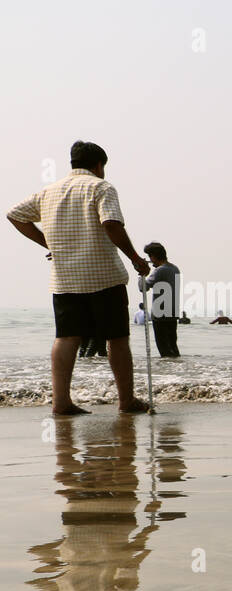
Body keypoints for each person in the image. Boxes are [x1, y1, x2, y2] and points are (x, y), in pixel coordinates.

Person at [6, 140, 151, 414]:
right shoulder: (101, 187)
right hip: (103, 276)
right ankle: (126, 401)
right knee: (117, 338)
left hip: (65, 279)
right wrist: (135, 258)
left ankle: (61, 402)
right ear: (99, 165)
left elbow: (14, 215)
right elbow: (111, 224)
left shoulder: (49, 191)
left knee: (67, 337)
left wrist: (48, 243)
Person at [143, 241, 181, 357]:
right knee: (173, 346)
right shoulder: (175, 268)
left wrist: (142, 273)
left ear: (153, 256)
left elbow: (143, 287)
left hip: (160, 314)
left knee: (164, 349)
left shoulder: (160, 270)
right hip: (172, 312)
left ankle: (168, 372)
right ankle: (176, 370)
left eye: (150, 256)